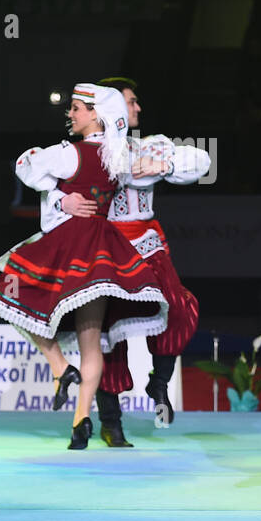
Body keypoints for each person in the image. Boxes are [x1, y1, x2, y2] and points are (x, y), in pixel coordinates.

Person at [0, 83, 168, 449]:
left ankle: (60, 367)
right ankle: (81, 422)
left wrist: (60, 196)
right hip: (103, 251)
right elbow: (153, 167)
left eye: (77, 108)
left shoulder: (68, 154)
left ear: (95, 114)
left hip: (68, 245)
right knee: (91, 339)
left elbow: (26, 166)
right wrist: (165, 163)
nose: (71, 114)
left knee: (11, 294)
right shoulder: (118, 156)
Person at [56, 77, 210, 446]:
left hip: (148, 243)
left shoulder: (150, 145)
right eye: (131, 101)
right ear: (110, 108)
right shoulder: (86, 152)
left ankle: (159, 381)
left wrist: (165, 162)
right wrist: (63, 202)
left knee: (177, 306)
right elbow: (50, 184)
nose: (137, 108)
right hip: (106, 248)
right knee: (107, 334)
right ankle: (111, 423)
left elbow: (202, 161)